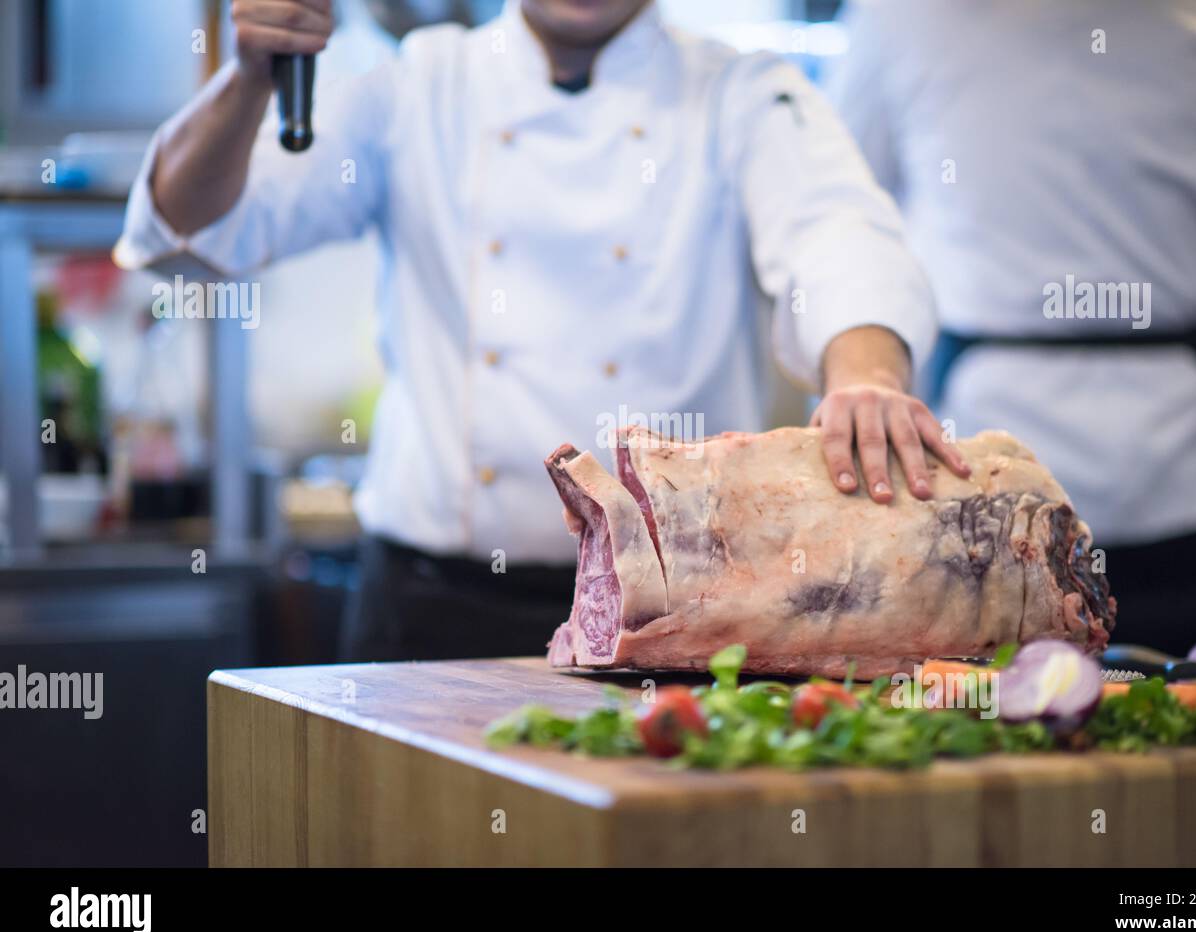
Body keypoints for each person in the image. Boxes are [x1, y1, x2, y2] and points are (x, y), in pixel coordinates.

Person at [116, 0, 967, 662]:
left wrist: (866, 376)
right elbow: (192, 235)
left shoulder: (740, 92)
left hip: (674, 616)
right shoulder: (418, 85)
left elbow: (839, 234)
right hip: (427, 612)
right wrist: (251, 80)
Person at [828, 0, 1196, 654]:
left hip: (981, 491)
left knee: (975, 731)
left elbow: (848, 228)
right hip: (1180, 464)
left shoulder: (896, 18)